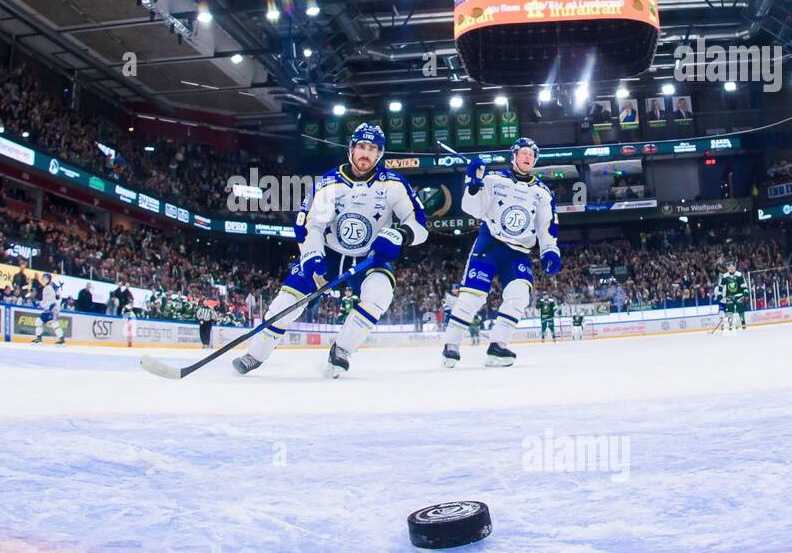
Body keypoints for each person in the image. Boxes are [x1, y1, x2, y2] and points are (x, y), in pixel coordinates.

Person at [233, 123, 429, 378]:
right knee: (288, 300)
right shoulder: (329, 183)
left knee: (380, 293)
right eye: (361, 146)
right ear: (351, 149)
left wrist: (399, 235)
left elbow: (419, 226)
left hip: (369, 258)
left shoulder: (394, 185)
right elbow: (310, 227)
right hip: (328, 254)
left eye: (372, 149)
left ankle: (342, 351)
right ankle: (255, 354)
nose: (365, 154)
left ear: (380, 154)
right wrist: (313, 256)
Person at [440, 137, 560, 368]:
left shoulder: (543, 193)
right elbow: (472, 209)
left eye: (532, 154)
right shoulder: (493, 179)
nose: (528, 157)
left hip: (518, 253)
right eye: (523, 152)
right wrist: (473, 183)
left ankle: (498, 346)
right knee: (471, 297)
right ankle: (451, 345)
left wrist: (549, 251)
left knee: (519, 297)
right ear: (513, 156)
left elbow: (547, 226)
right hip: (491, 245)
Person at [33, 272, 66, 345]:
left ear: (48, 279)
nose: (43, 280)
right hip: (54, 309)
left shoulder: (47, 288)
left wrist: (39, 304)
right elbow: (57, 298)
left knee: (40, 321)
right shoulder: (53, 286)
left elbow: (48, 301)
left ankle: (39, 339)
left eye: (44, 278)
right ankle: (61, 339)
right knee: (53, 323)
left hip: (51, 309)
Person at [715, 260, 749, 332]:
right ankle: (730, 325)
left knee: (740, 310)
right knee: (730, 311)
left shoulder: (739, 275)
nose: (731, 268)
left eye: (732, 266)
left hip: (739, 296)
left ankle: (743, 323)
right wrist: (719, 294)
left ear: (735, 267)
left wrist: (745, 291)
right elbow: (720, 286)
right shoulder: (725, 276)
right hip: (729, 296)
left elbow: (743, 284)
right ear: (727, 268)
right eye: (729, 267)